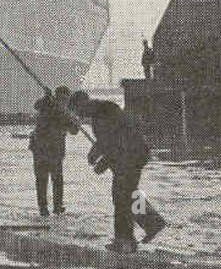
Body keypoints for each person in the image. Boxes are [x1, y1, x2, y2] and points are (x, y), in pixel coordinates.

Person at [68, 90, 162, 251]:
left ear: (82, 104)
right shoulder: (103, 111)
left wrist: (101, 163)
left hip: (131, 155)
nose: (80, 116)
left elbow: (112, 142)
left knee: (120, 197)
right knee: (128, 192)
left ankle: (125, 241)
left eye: (78, 111)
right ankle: (152, 223)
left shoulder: (103, 114)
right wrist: (96, 154)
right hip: (133, 154)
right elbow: (107, 141)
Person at [29, 86, 78, 217]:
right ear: (57, 97)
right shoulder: (47, 104)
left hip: (55, 150)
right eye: (61, 98)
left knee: (56, 179)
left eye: (65, 99)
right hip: (41, 148)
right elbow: (37, 105)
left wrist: (73, 120)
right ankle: (43, 208)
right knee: (42, 179)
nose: (64, 101)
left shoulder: (66, 112)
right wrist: (46, 97)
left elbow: (74, 130)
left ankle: (57, 206)